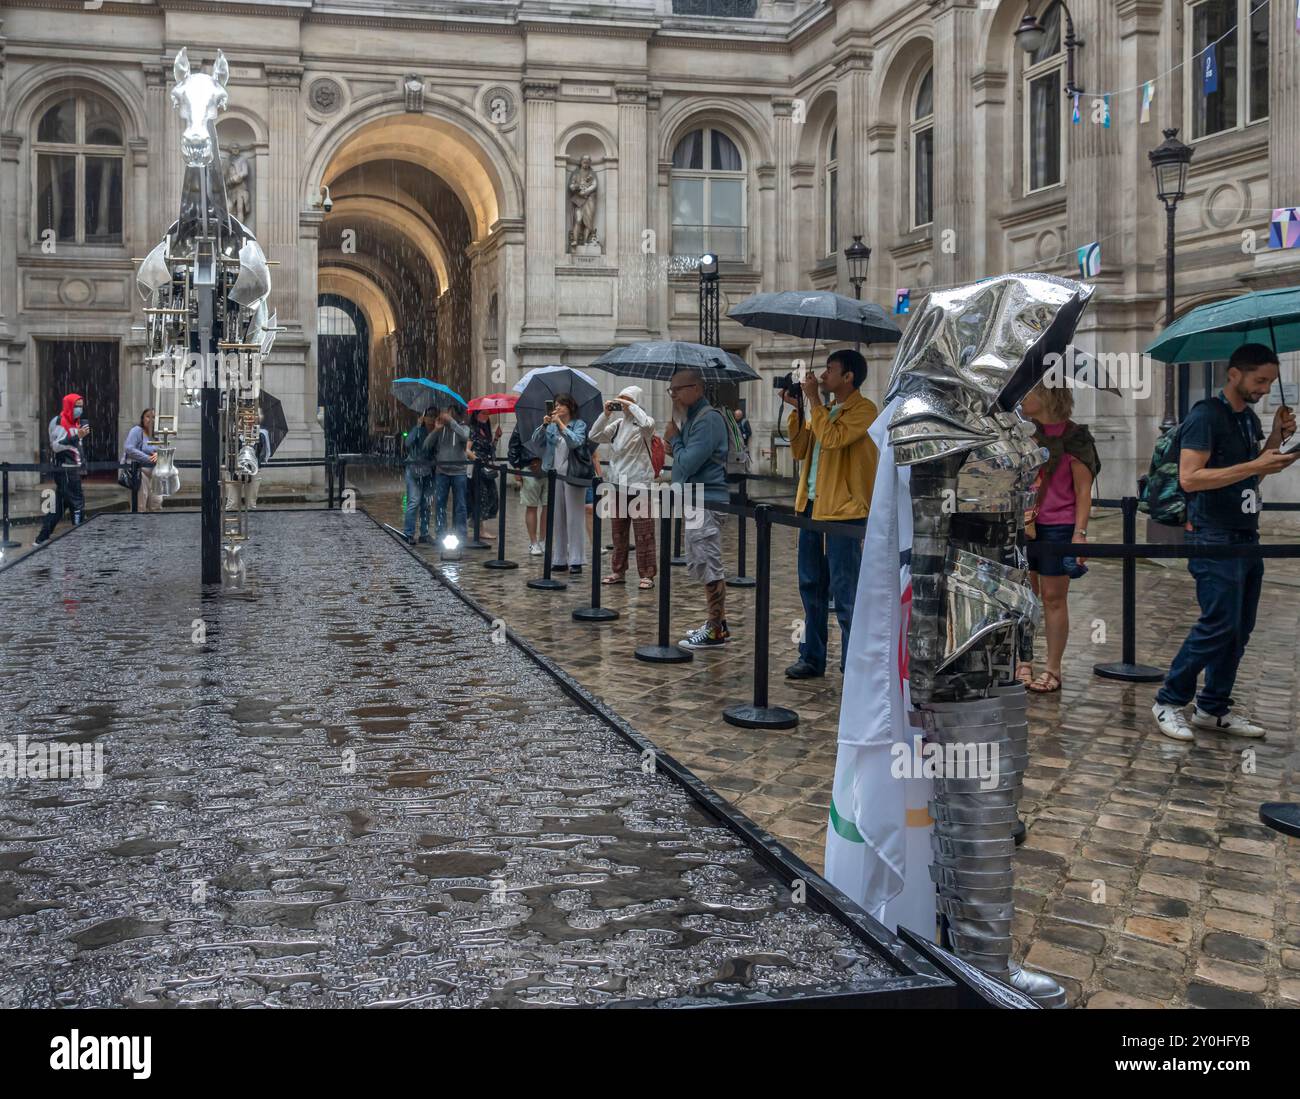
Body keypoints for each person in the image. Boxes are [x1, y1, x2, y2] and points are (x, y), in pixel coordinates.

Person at [1152, 343, 1298, 741]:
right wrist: (1255, 463)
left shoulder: (1248, 419)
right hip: (1213, 534)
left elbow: (1250, 477)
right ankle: (1168, 700)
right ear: (1234, 374)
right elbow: (1190, 478)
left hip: (1246, 532)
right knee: (1217, 625)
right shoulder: (1205, 416)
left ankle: (1213, 707)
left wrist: (1275, 443)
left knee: (1239, 629)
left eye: (1270, 380)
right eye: (1259, 380)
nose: (1266, 388)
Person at [782, 349, 879, 678]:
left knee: (845, 589)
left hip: (844, 511)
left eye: (829, 370)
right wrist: (799, 410)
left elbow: (833, 439)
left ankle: (854, 665)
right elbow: (799, 449)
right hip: (811, 505)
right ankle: (812, 656)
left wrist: (815, 402)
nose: (822, 376)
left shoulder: (864, 410)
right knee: (811, 585)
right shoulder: (822, 410)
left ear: (848, 376)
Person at [1016, 381, 1100, 694]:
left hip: (1059, 527)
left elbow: (1082, 492)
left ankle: (1053, 667)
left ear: (1047, 396)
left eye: (1028, 393)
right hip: (1024, 525)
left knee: (1053, 599)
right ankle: (1024, 662)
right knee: (1024, 599)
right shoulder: (1024, 436)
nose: (1023, 399)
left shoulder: (1076, 438)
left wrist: (1080, 533)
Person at [666, 368, 731, 647]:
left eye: (677, 390)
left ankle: (715, 630)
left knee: (709, 563)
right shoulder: (694, 420)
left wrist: (674, 440)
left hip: (706, 499)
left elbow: (687, 463)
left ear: (696, 389)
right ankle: (717, 623)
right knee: (702, 562)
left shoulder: (707, 420)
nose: (674, 396)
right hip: (695, 499)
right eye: (672, 391)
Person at [589, 384, 657, 589]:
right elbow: (594, 436)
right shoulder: (617, 424)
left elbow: (646, 424)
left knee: (644, 532)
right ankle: (618, 570)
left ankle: (647, 574)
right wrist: (605, 414)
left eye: (627, 399)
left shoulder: (645, 423)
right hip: (617, 483)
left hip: (639, 485)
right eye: (621, 399)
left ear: (636, 402)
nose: (623, 403)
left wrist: (631, 404)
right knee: (618, 531)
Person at [530, 393, 588, 574]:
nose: (558, 407)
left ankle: (576, 559)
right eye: (556, 405)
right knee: (558, 518)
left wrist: (561, 425)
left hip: (573, 474)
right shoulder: (551, 426)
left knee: (574, 517)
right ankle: (560, 558)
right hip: (555, 474)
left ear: (570, 407)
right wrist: (545, 424)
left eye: (562, 405)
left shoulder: (579, 425)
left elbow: (575, 442)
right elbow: (535, 442)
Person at [35, 392, 89, 545]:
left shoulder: (76, 422)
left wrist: (82, 466)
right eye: (77, 406)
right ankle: (78, 538)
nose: (79, 409)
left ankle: (41, 538)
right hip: (66, 470)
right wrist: (75, 436)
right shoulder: (59, 421)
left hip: (73, 469)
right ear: (69, 405)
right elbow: (56, 446)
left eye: (81, 406)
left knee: (58, 507)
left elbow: (77, 448)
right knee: (77, 504)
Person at [433, 403, 471, 544]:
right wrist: (437, 429)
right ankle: (440, 532)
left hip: (459, 472)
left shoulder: (463, 427)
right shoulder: (441, 429)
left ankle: (460, 534)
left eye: (449, 411)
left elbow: (465, 436)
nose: (446, 414)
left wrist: (452, 422)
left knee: (460, 505)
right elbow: (429, 445)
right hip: (442, 471)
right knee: (440, 503)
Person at [402, 407, 439, 544]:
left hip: (430, 471)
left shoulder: (437, 431)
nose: (431, 419)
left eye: (434, 416)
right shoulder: (418, 429)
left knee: (427, 503)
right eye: (429, 416)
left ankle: (424, 533)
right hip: (414, 470)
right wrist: (417, 427)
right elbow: (408, 443)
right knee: (414, 501)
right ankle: (408, 533)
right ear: (424, 417)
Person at [508, 425, 546, 556]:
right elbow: (514, 446)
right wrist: (517, 468)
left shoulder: (553, 420)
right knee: (531, 506)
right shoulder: (523, 422)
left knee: (547, 506)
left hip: (548, 467)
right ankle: (533, 542)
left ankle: (543, 540)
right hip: (529, 466)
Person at [224, 414, 270, 512]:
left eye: (252, 420)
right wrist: (237, 434)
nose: (249, 423)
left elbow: (263, 453)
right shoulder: (234, 433)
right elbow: (228, 448)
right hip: (235, 468)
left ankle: (251, 524)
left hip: (254, 469)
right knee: (232, 502)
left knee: (251, 503)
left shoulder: (261, 435)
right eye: (246, 420)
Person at [469, 410, 501, 540]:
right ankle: (480, 529)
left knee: (491, 496)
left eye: (487, 414)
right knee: (481, 497)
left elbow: (490, 450)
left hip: (486, 468)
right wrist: (477, 459)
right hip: (477, 469)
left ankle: (476, 522)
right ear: (476, 415)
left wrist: (496, 438)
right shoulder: (472, 430)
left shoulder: (486, 431)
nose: (485, 416)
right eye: (482, 413)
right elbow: (467, 449)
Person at [123, 408, 162, 512]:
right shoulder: (137, 430)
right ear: (143, 418)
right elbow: (129, 448)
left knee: (156, 502)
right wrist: (148, 458)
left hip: (155, 472)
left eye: (153, 417)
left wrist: (159, 455)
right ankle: (138, 527)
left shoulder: (157, 434)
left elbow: (163, 450)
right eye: (148, 416)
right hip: (140, 470)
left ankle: (154, 527)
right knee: (140, 504)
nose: (150, 419)